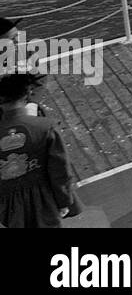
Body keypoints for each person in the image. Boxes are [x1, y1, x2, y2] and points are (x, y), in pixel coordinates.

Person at [0, 72, 75, 228]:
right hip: (43, 198)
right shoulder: (46, 127)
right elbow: (60, 170)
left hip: (7, 204)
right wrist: (64, 201)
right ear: (27, 93)